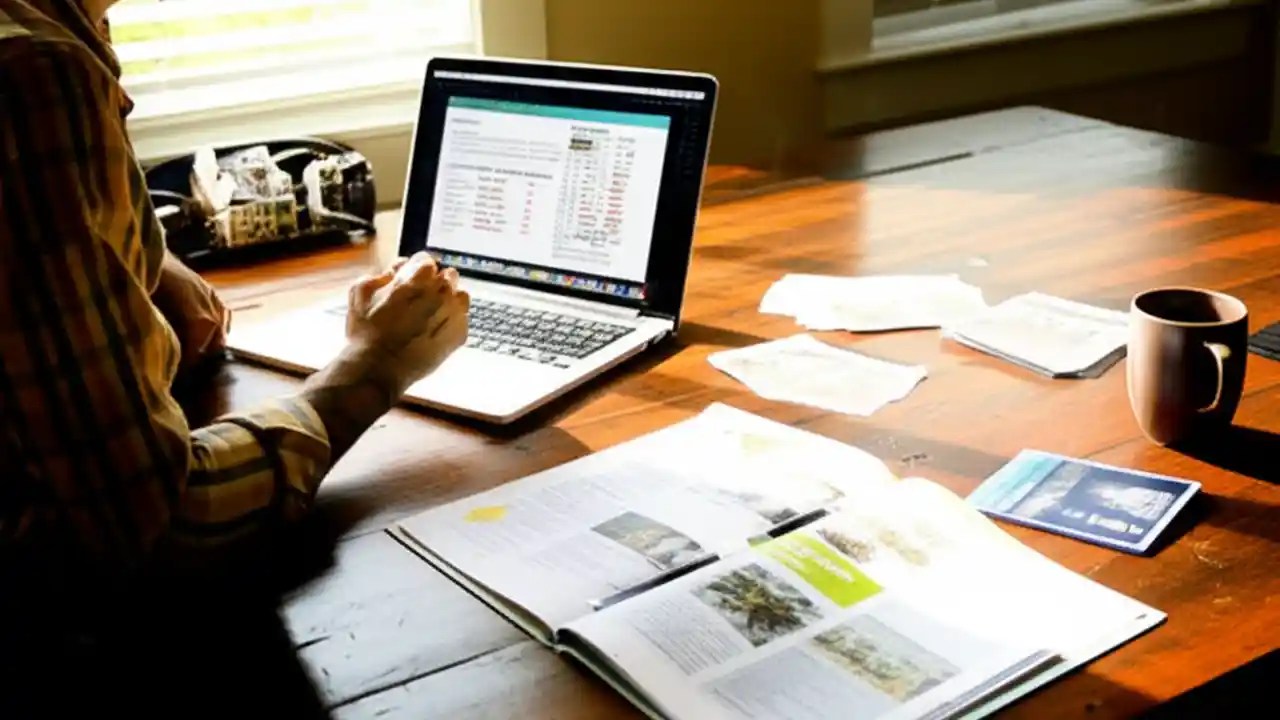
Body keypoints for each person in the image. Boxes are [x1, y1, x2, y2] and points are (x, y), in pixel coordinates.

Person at [0, 0, 470, 706]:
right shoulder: (31, 74)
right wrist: (373, 366)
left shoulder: (53, 29)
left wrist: (143, 258)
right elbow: (155, 533)